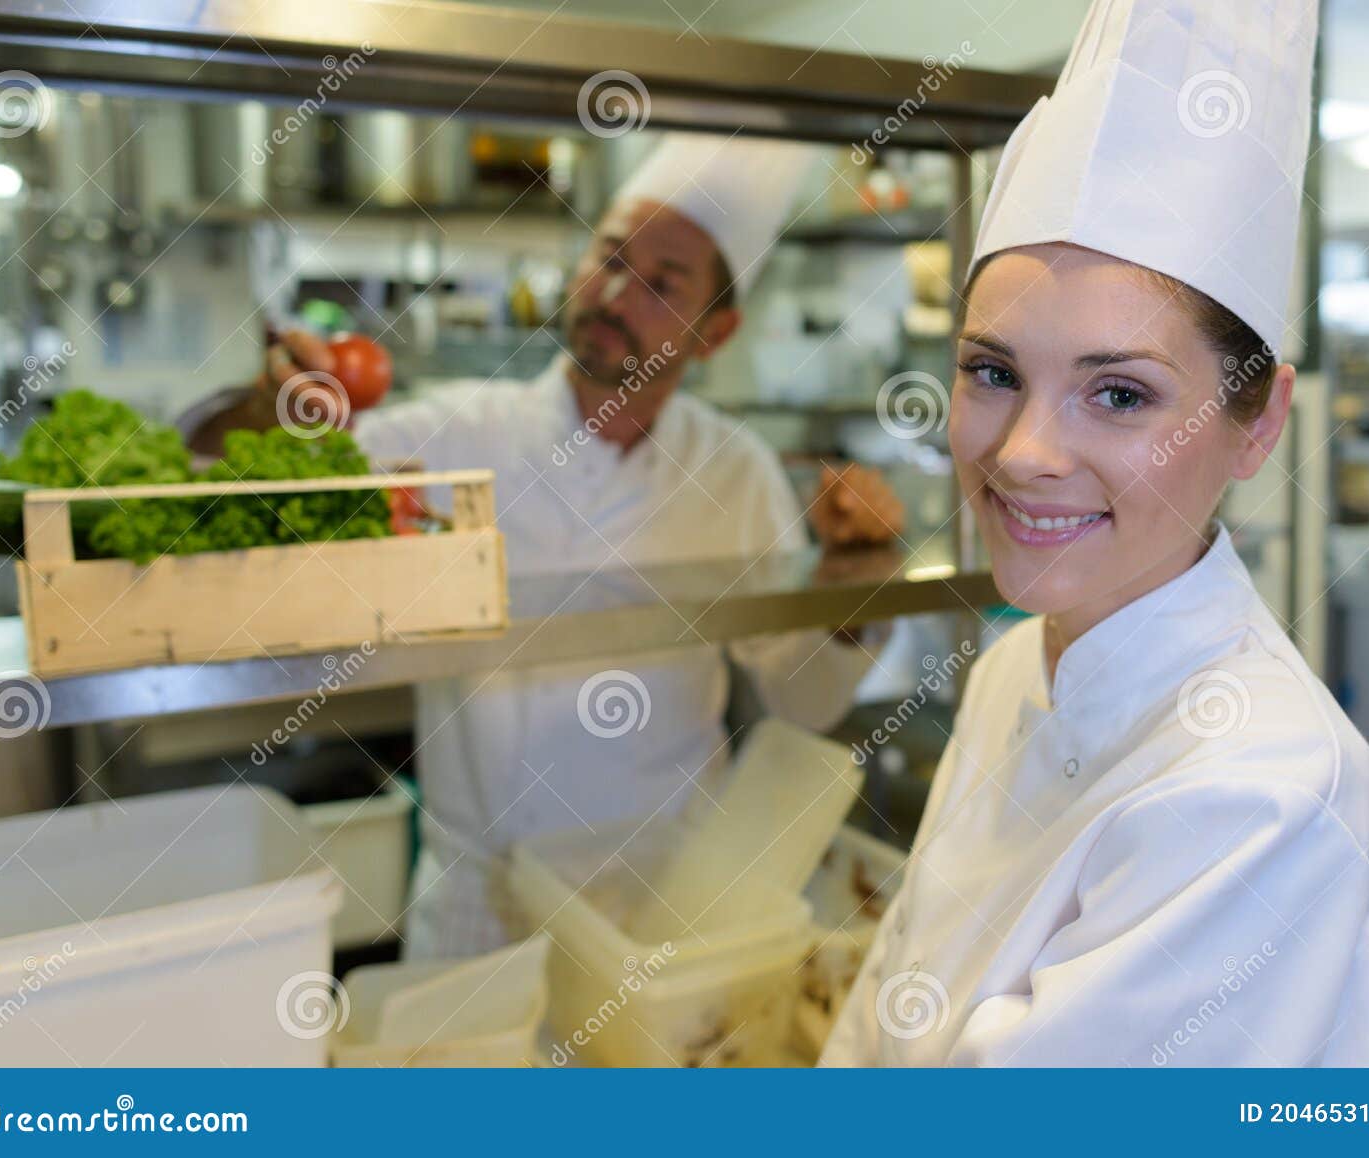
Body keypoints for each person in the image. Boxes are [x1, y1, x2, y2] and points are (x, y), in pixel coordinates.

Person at [821, 0, 1369, 1066]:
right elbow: (894, 989)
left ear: (1257, 424)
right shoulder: (1015, 663)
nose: (1022, 452)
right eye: (993, 372)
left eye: (1118, 394)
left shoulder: (1263, 801)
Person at [185, 134, 905, 956]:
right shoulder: (457, 432)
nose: (614, 293)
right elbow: (219, 473)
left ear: (716, 332)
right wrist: (262, 403)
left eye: (662, 285)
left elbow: (801, 702)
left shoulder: (734, 472)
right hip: (477, 913)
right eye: (609, 258)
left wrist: (856, 578)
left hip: (656, 907)